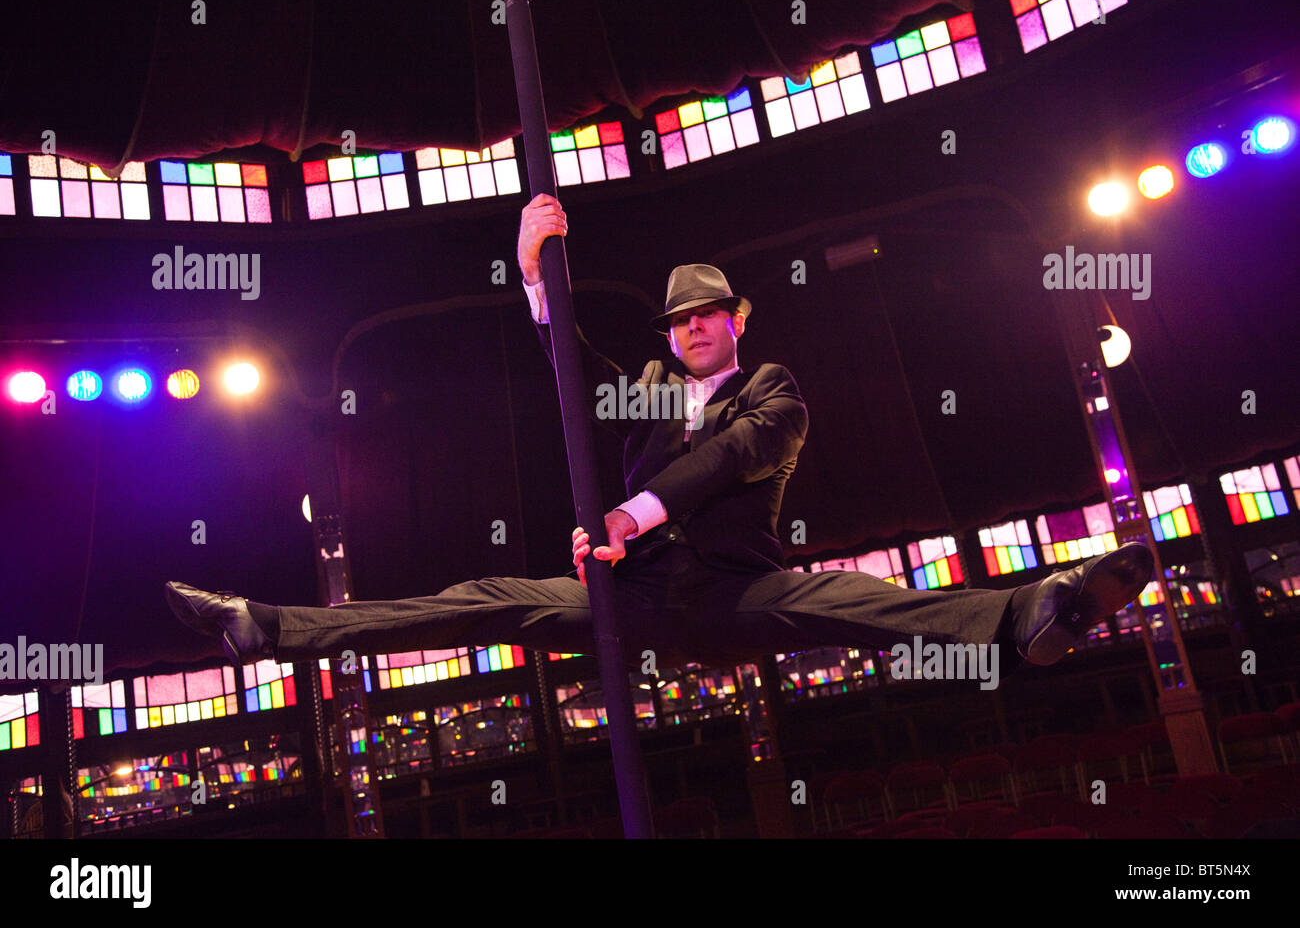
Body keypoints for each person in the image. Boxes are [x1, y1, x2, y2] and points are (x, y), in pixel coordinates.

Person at [166, 194, 1153, 681]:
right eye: (678, 321)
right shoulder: (642, 389)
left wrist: (630, 512)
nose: (690, 331)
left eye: (707, 315)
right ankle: (268, 624)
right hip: (627, 600)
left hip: (736, 593)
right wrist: (532, 275)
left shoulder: (772, 392)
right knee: (477, 599)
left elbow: (728, 458)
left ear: (737, 316)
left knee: (855, 594)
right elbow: (573, 371)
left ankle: (1030, 612)